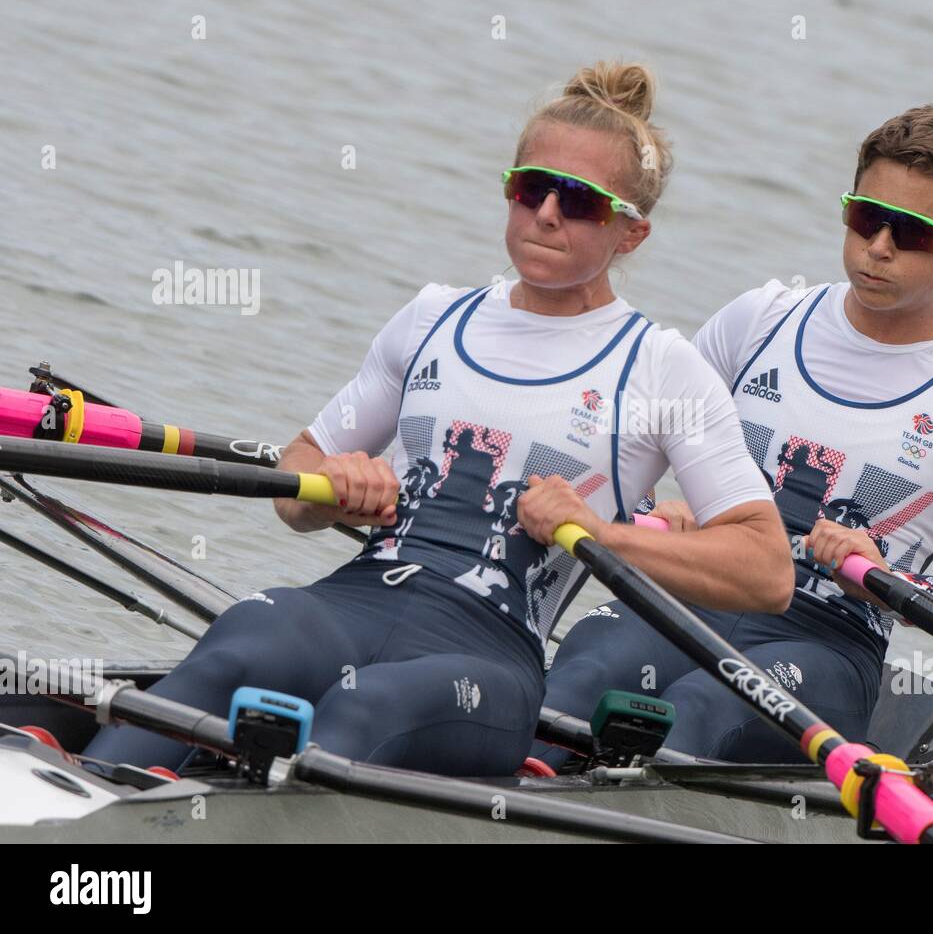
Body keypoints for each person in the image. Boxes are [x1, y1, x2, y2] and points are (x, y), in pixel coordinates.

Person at [82, 62, 791, 777]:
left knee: (367, 706)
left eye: (579, 200)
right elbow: (291, 476)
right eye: (529, 187)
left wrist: (603, 533)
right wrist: (330, 485)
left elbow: (766, 571)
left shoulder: (663, 368)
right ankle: (85, 804)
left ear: (630, 233)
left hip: (486, 654)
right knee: (246, 636)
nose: (546, 211)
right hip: (357, 597)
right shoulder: (431, 318)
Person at [538, 105, 933, 765]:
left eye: (910, 232)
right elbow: (619, 459)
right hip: (694, 596)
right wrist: (652, 510)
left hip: (823, 644)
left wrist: (903, 583)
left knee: (702, 714)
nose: (878, 246)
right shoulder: (760, 321)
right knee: (578, 677)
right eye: (864, 218)